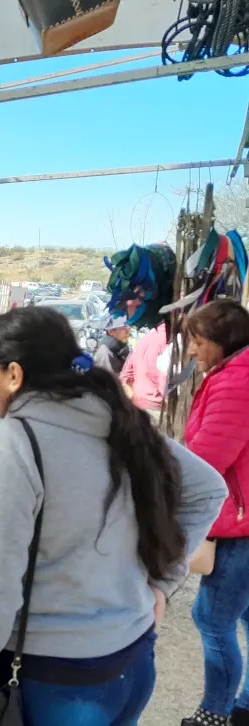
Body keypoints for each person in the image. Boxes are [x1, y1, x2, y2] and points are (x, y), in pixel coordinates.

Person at [0, 307, 226, 726]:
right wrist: (160, 583)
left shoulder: (13, 441)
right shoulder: (120, 421)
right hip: (132, 661)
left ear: (14, 374)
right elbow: (207, 489)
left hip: (59, 679)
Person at [181, 300, 249, 726]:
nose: (191, 350)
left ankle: (215, 714)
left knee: (212, 618)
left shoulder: (237, 381)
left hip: (239, 522)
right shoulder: (234, 374)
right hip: (243, 516)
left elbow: (206, 460)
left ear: (224, 341)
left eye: (198, 341)